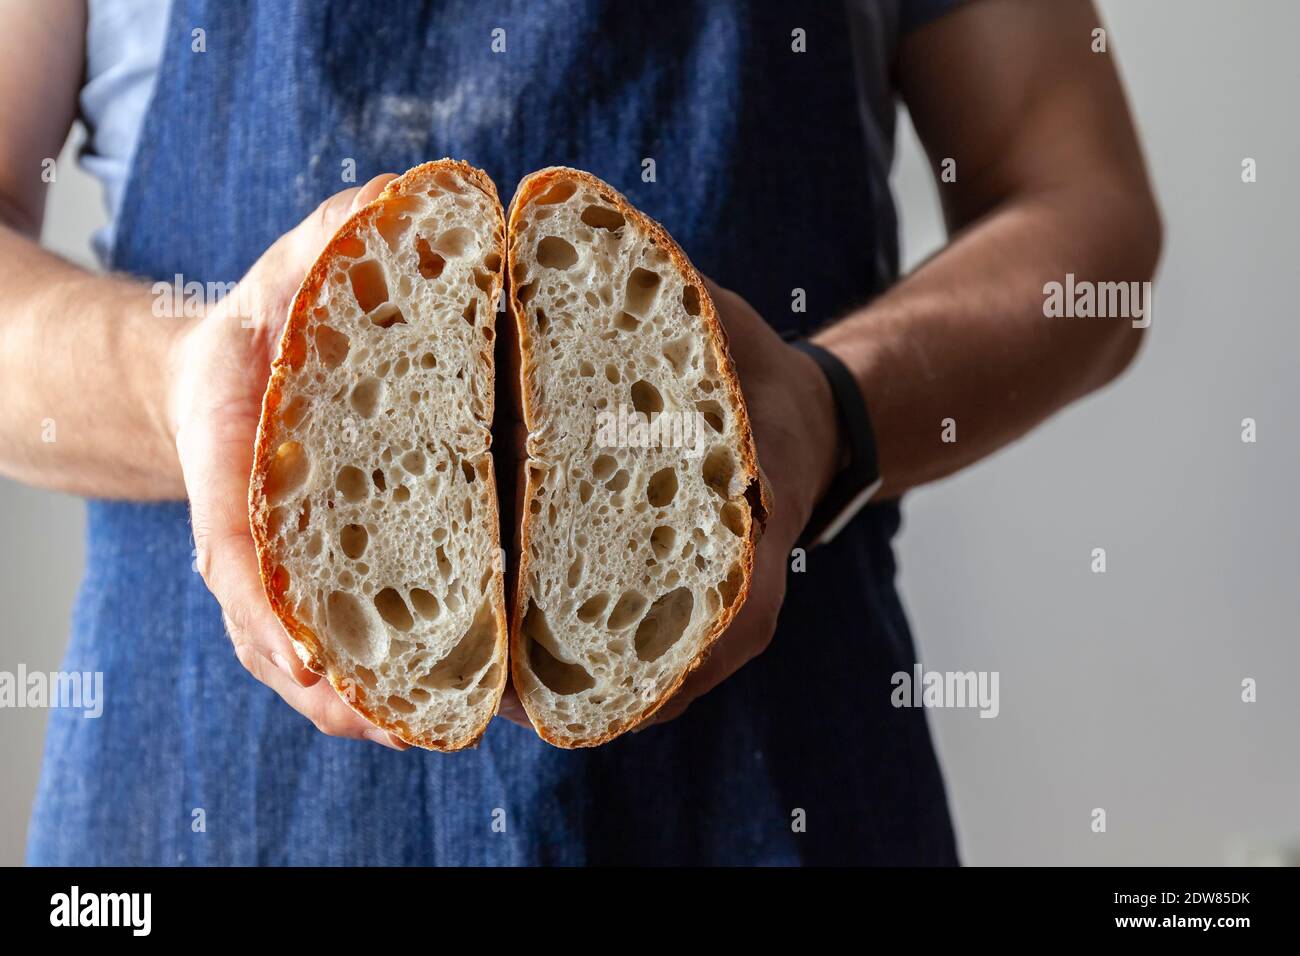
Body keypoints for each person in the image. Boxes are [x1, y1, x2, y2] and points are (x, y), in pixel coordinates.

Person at [2, 0, 1160, 865]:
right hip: (206, 788)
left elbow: (1082, 208)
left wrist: (828, 407)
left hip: (768, 782)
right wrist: (191, 380)